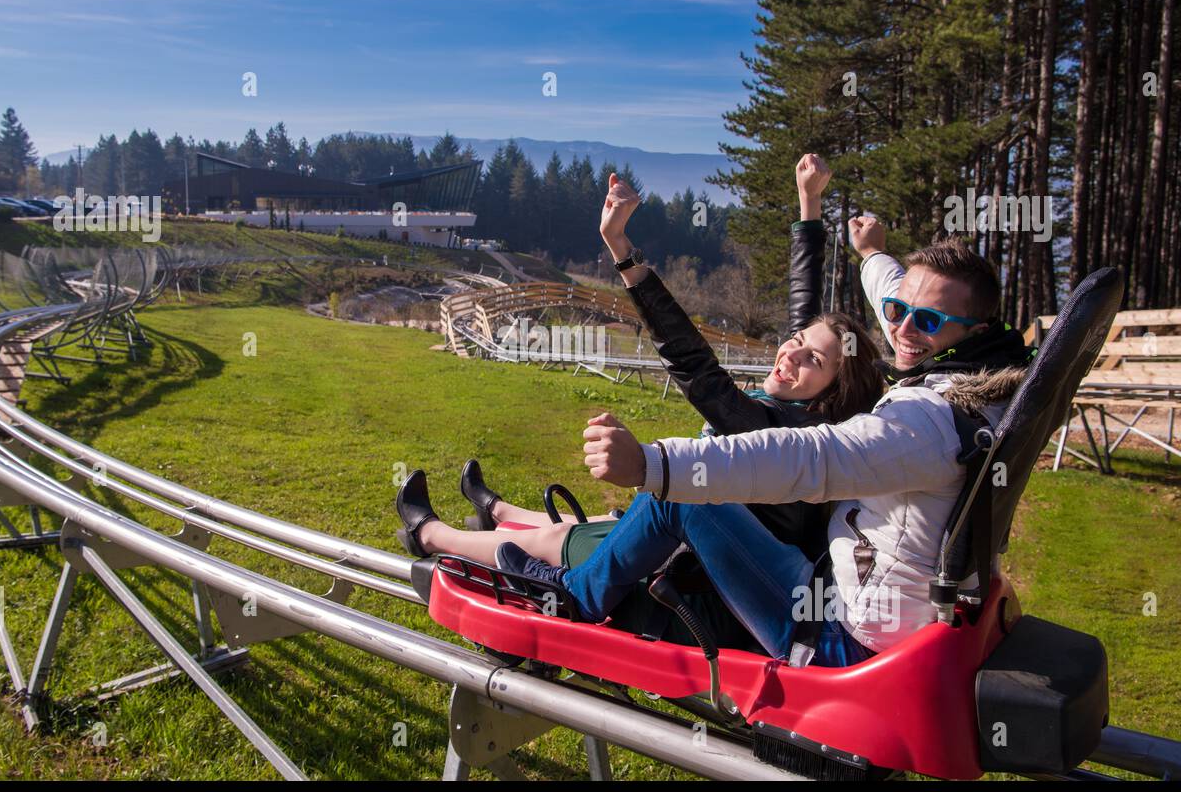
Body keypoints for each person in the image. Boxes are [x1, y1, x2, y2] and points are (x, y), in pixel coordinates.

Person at [395, 155, 883, 654]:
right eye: (795, 339)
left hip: (689, 577)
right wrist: (809, 204)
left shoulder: (777, 432)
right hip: (688, 554)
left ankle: (431, 535)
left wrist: (623, 253)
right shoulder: (822, 432)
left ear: (832, 391)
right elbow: (808, 311)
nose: (790, 352)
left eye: (813, 359)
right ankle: (494, 507)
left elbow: (696, 367)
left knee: (560, 542)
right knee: (571, 530)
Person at [488, 225, 1037, 667]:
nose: (904, 330)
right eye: (896, 312)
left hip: (836, 633)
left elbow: (810, 458)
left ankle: (575, 597)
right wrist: (869, 254)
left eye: (930, 321)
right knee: (658, 502)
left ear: (973, 331)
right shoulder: (980, 385)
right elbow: (897, 303)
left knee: (682, 492)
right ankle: (533, 549)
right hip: (865, 602)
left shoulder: (922, 420)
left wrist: (651, 462)